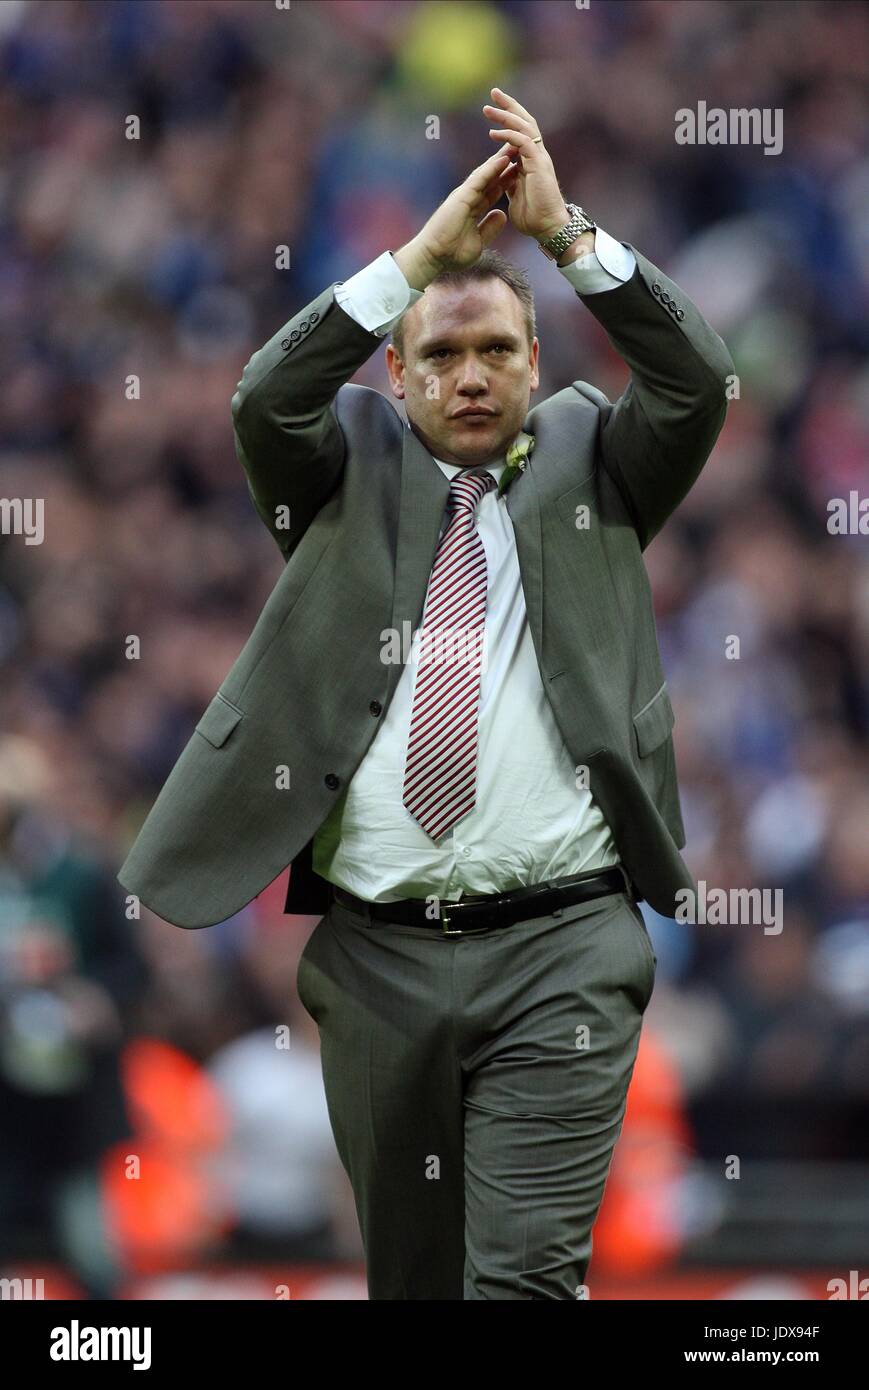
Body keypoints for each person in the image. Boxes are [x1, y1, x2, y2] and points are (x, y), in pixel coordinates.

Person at [118, 88, 734, 1299]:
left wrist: (566, 239)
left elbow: (699, 381)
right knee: (414, 1284)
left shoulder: (600, 462)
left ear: (535, 361)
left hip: (564, 941)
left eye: (496, 349)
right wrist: (415, 262)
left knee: (520, 1283)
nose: (469, 376)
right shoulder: (338, 468)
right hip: (375, 957)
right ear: (395, 372)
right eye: (440, 353)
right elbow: (262, 399)